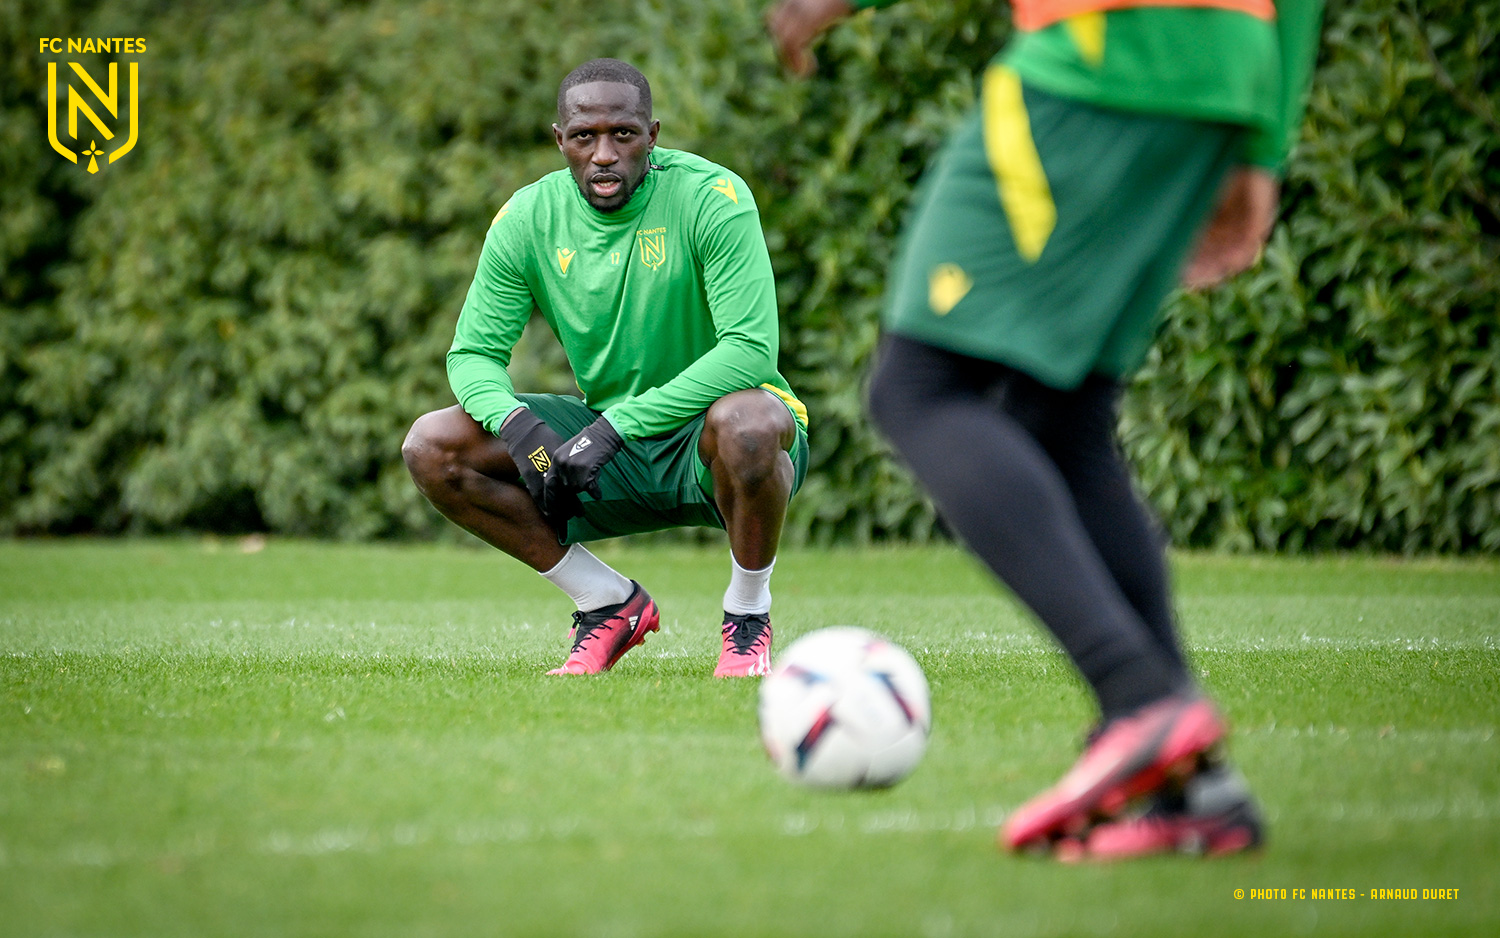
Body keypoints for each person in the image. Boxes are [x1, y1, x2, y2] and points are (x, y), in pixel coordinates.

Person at [767, 0, 1322, 859]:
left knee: (922, 389)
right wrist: (1263, 140)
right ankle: (1195, 791)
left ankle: (1139, 696)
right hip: (1227, 67)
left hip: (1100, 53)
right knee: (1064, 417)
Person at [403, 58, 809, 678]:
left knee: (748, 420)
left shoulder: (712, 197)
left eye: (623, 134)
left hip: (715, 441)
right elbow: (473, 356)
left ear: (652, 136)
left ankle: (748, 616)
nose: (603, 154)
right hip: (609, 447)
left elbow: (750, 351)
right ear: (559, 139)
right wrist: (517, 427)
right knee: (433, 445)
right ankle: (606, 604)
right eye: (584, 136)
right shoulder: (527, 218)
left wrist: (615, 428)